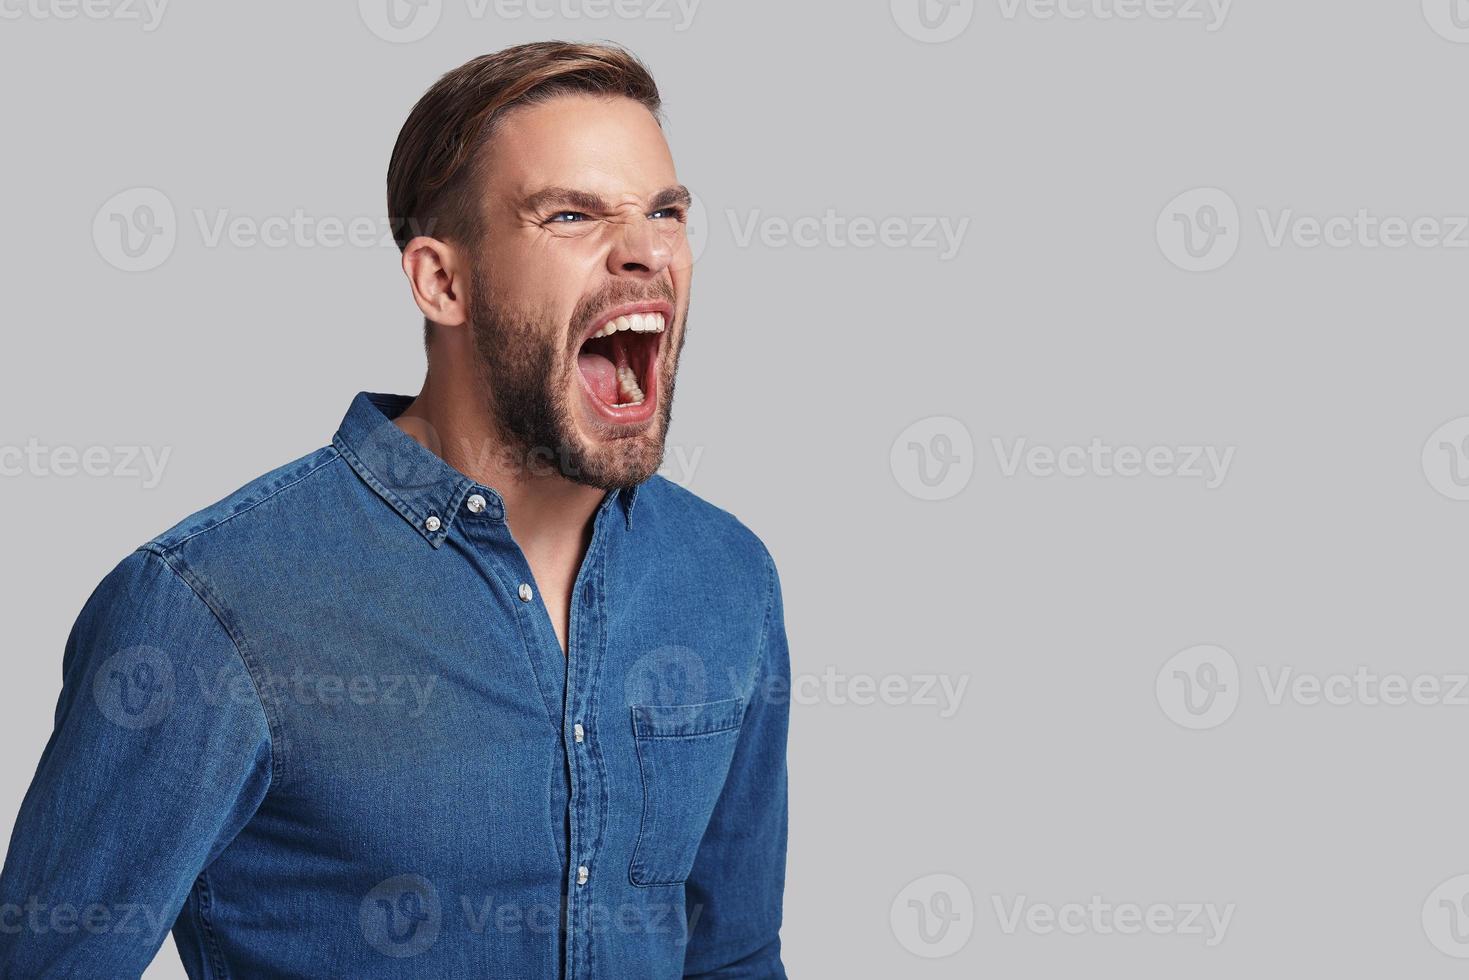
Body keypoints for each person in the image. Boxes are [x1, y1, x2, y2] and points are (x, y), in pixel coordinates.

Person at [0, 41, 789, 979]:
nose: (643, 250)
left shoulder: (728, 576)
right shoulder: (211, 608)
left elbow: (735, 958)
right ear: (440, 282)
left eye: (664, 211)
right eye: (571, 214)